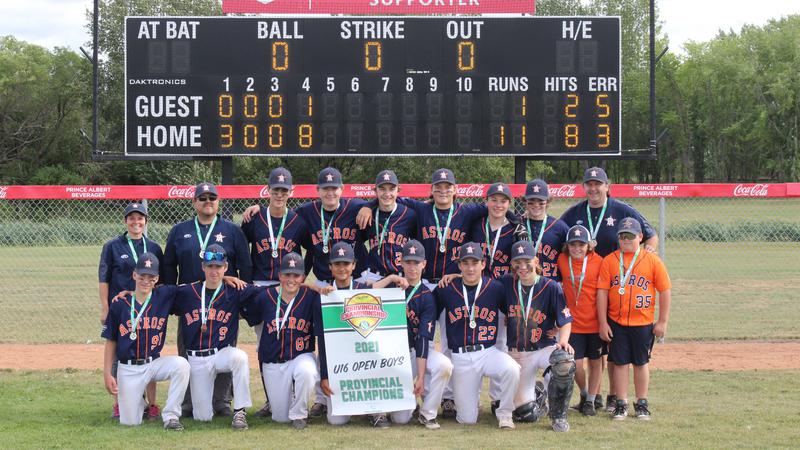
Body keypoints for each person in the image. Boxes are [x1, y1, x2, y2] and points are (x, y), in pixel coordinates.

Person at [559, 167, 658, 411]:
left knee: (613, 345)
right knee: (592, 350)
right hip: (583, 287)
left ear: (607, 186)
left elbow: (650, 235)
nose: (593, 189)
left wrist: (648, 253)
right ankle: (593, 397)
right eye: (589, 184)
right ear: (584, 187)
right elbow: (556, 234)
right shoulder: (575, 212)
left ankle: (615, 395)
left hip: (616, 285)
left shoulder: (622, 210)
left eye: (598, 184)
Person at [163, 181, 253, 417]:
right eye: (202, 198)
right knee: (187, 351)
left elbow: (245, 265)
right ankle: (188, 402)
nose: (207, 202)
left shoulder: (232, 230)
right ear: (194, 202)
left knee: (225, 348)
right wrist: (173, 299)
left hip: (224, 300)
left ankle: (222, 401)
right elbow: (169, 266)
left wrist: (243, 301)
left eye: (212, 197)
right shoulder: (179, 230)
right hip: (190, 301)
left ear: (218, 201)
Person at [240, 167, 310, 418]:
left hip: (289, 288)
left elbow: (311, 251)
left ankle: (292, 396)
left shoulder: (298, 221)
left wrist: (302, 277)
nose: (279, 194)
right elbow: (240, 249)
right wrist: (246, 285)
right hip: (261, 286)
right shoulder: (254, 217)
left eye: (284, 190)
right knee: (265, 345)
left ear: (291, 192)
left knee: (290, 341)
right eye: (275, 190)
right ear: (267, 190)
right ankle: (272, 399)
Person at [434, 242, 520, 428]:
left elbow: (514, 311)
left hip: (487, 351)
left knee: (512, 368)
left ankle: (505, 413)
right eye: (466, 263)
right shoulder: (446, 288)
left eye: (475, 262)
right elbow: (426, 310)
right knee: (467, 420)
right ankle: (471, 405)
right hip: (461, 357)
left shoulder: (495, 288)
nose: (470, 268)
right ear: (459, 265)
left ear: (483, 264)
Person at [171, 244, 257, 429]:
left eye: (218, 266)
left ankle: (240, 412)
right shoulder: (187, 292)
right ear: (203, 267)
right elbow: (155, 295)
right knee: (202, 417)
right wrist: (130, 293)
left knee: (240, 357)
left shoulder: (234, 290)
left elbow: (271, 291)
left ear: (225, 267)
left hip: (221, 355)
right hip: (196, 358)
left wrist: (305, 286)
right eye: (210, 266)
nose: (214, 270)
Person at [101, 253, 190, 430]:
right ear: (134, 275)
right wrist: (107, 374)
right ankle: (139, 403)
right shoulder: (120, 303)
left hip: (152, 365)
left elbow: (196, 287)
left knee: (181, 365)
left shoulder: (164, 295)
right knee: (130, 422)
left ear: (157, 279)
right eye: (142, 276)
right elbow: (111, 341)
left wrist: (225, 276)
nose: (146, 281)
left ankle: (171, 416)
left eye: (151, 278)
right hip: (128, 368)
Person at [316, 241, 399, 428]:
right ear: (330, 267)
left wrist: (393, 278)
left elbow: (378, 289)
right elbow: (322, 340)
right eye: (337, 264)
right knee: (336, 420)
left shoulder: (363, 288)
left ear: (354, 265)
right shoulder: (326, 296)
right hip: (340, 363)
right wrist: (325, 376)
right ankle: (355, 406)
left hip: (366, 359)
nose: (342, 268)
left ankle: (376, 410)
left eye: (346, 263)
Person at [597, 218, 672, 421]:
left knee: (641, 363)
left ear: (640, 237)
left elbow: (664, 291)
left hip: (643, 323)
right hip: (617, 322)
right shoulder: (610, 260)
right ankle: (621, 403)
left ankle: (641, 402)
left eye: (631, 235)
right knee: (620, 363)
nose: (626, 239)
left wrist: (662, 321)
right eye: (622, 236)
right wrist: (603, 323)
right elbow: (602, 293)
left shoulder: (652, 260)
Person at [241, 252, 324, 430]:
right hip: (273, 362)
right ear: (280, 275)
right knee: (280, 418)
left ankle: (300, 414)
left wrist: (321, 289)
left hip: (301, 356)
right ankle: (289, 404)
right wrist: (228, 278)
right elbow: (249, 313)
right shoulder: (265, 296)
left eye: (296, 275)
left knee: (307, 371)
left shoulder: (311, 296)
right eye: (287, 274)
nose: (291, 279)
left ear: (303, 277)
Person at [499, 240, 575, 432]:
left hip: (543, 348)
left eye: (527, 261)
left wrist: (563, 340)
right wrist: (455, 275)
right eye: (517, 262)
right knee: (525, 414)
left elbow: (565, 320)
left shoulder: (551, 287)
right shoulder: (507, 283)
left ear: (536, 260)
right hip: (518, 353)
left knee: (564, 362)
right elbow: (479, 283)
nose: (522, 267)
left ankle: (559, 416)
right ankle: (538, 396)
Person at [98, 202, 163, 419]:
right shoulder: (113, 246)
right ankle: (119, 402)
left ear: (146, 221)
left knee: (149, 354)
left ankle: (151, 404)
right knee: (119, 353)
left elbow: (158, 281)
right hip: (121, 309)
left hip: (146, 308)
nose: (136, 222)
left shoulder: (153, 247)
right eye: (131, 218)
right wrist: (105, 307)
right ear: (125, 221)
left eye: (140, 218)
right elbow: (104, 278)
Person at [556, 225, 605, 416]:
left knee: (595, 361)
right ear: (567, 246)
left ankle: (591, 400)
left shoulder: (599, 262)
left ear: (589, 246)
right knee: (574, 363)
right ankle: (584, 393)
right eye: (573, 244)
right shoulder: (562, 260)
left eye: (581, 244)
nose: (577, 248)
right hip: (572, 324)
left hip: (594, 322)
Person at [358, 169, 417, 283]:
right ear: (375, 191)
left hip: (401, 276)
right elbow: (357, 242)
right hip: (373, 276)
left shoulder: (410, 215)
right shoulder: (368, 214)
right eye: (382, 189)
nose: (387, 194)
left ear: (398, 190)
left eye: (392, 189)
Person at [520, 179, 569, 280]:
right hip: (523, 284)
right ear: (525, 202)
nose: (536, 206)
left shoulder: (559, 227)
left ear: (547, 202)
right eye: (531, 202)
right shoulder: (517, 224)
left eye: (541, 202)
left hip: (551, 283)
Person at [469, 182, 519, 279]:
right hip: (477, 285)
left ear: (509, 204)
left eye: (503, 201)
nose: (498, 205)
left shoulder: (515, 230)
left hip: (504, 286)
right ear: (486, 201)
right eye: (494, 200)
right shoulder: (475, 225)